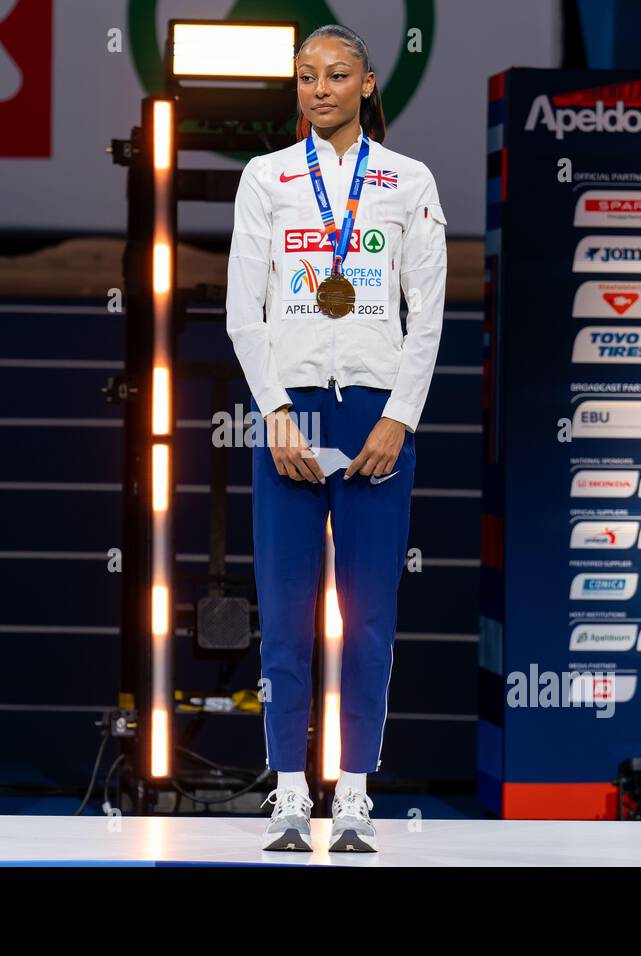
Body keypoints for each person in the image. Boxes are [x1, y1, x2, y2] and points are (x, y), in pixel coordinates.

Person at [225, 23, 448, 852]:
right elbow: (241, 312)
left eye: (336, 74)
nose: (319, 88)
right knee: (284, 616)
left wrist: (400, 417)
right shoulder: (267, 179)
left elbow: (426, 316)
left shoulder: (407, 180)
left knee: (369, 618)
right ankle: (288, 791)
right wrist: (276, 413)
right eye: (307, 76)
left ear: (366, 82)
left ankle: (352, 792)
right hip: (292, 417)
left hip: (375, 415)